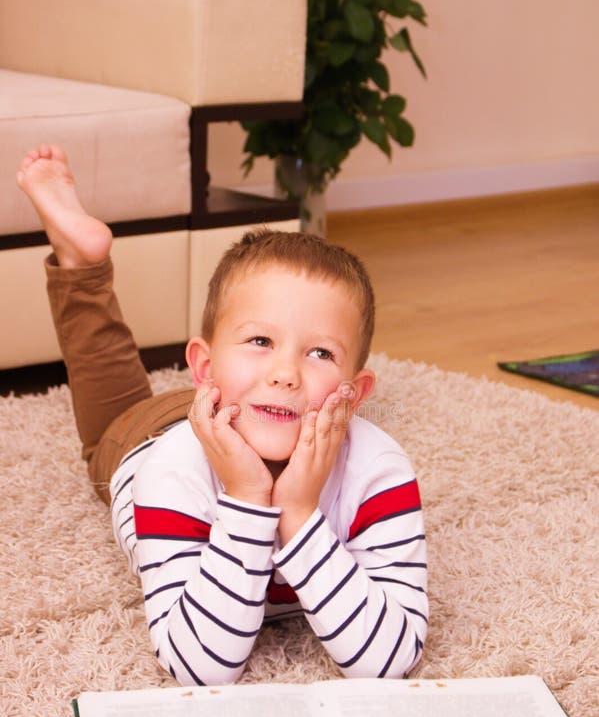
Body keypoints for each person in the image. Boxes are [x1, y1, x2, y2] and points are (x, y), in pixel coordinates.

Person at [17, 144, 428, 686]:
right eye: (261, 339)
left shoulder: (379, 470)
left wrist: (300, 512)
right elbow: (202, 669)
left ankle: (87, 264)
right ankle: (82, 265)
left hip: (241, 403)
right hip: (156, 435)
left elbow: (390, 658)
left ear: (354, 394)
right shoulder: (169, 473)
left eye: (320, 353)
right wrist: (246, 499)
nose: (286, 373)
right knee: (110, 407)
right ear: (204, 367)